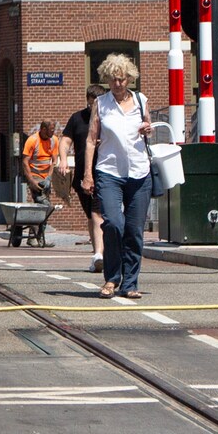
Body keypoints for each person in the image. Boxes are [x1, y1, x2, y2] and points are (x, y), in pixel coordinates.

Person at [83, 54, 153, 299]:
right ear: (107, 79)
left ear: (130, 79)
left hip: (139, 172)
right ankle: (112, 278)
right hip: (109, 172)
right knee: (113, 223)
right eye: (113, 79)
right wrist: (88, 174)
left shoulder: (141, 101)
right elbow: (91, 140)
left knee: (134, 230)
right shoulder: (101, 103)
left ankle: (130, 283)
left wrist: (148, 129)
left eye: (122, 79)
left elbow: (148, 128)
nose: (118, 84)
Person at [62, 99, 102, 272]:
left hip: (105, 173)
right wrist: (63, 160)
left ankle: (100, 253)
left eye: (96, 104)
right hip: (82, 175)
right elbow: (65, 141)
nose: (93, 108)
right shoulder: (77, 118)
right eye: (90, 104)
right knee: (91, 215)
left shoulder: (108, 116)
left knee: (97, 213)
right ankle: (97, 253)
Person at [21, 120, 58, 206]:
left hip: (46, 175)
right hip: (35, 175)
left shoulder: (54, 140)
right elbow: (25, 162)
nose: (53, 132)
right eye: (51, 130)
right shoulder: (32, 140)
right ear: (44, 129)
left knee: (44, 202)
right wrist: (32, 181)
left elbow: (54, 161)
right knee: (42, 201)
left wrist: (49, 177)